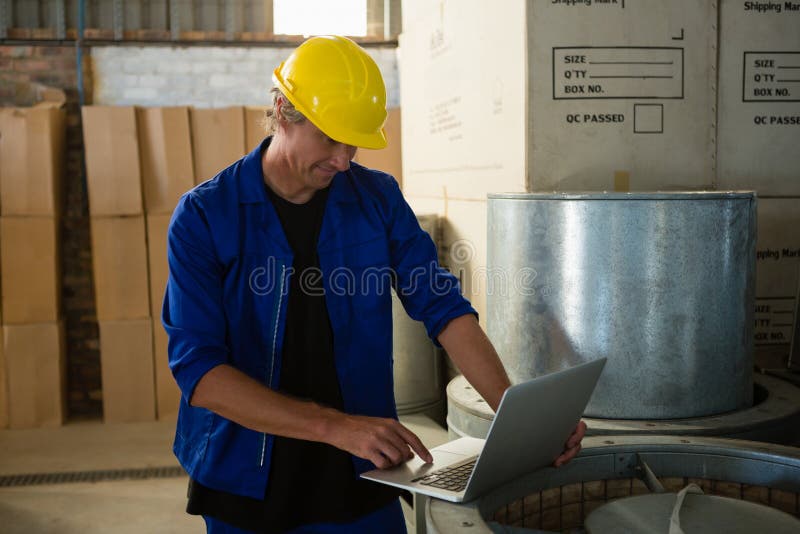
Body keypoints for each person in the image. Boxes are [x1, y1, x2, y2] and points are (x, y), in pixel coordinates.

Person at [163, 35, 586, 534]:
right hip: (245, 478)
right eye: (329, 139)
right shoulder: (205, 216)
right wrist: (335, 427)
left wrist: (522, 420)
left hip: (363, 472)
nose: (343, 161)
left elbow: (443, 308)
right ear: (283, 111)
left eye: (354, 142)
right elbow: (201, 372)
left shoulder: (375, 198)